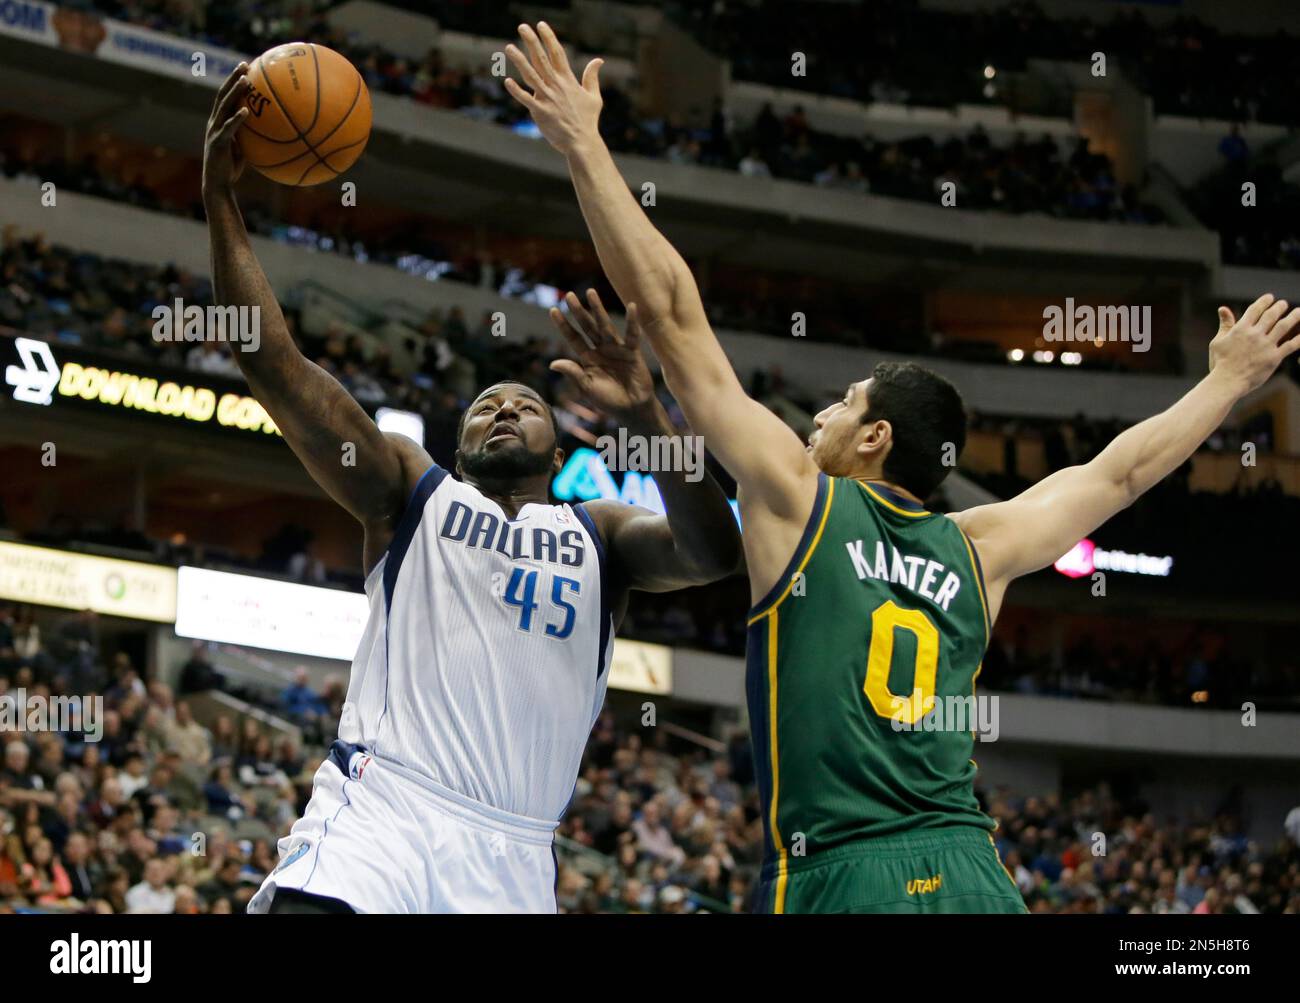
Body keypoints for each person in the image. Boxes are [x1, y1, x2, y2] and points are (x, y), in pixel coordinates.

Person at [504, 20, 1300, 913]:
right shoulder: (981, 544)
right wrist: (1226, 382)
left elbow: (672, 309)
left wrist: (582, 146)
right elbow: (1120, 474)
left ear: (877, 437)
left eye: (843, 402)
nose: (821, 414)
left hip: (840, 872)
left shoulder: (798, 498)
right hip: (970, 873)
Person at [201, 63, 741, 914]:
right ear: (455, 440)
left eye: (524, 405)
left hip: (514, 852)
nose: (503, 411)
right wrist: (222, 203)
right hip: (385, 807)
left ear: (557, 440)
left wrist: (644, 409)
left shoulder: (599, 531)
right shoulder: (411, 493)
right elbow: (273, 362)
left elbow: (716, 552)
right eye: (486, 405)